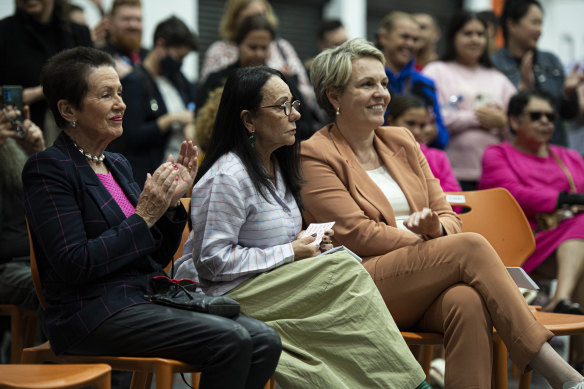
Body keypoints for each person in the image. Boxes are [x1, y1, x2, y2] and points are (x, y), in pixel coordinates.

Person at [300, 37, 584, 389]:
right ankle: (560, 373)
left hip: (420, 277)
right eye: (367, 84)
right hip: (359, 281)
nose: (381, 93)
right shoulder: (313, 154)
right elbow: (356, 233)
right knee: (469, 246)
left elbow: (447, 214)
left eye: (384, 83)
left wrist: (438, 233)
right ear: (334, 96)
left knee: (466, 301)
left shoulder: (401, 140)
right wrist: (429, 240)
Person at [22, 46, 281, 389]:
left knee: (264, 340)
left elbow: (155, 257)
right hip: (88, 313)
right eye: (106, 94)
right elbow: (74, 263)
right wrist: (143, 216)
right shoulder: (49, 169)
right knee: (230, 339)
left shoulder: (116, 164)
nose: (121, 104)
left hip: (141, 297)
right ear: (68, 109)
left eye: (120, 92)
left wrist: (171, 207)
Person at [174, 66, 430, 389]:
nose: (295, 115)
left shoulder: (278, 166)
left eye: (294, 104)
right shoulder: (228, 175)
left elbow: (273, 245)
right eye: (283, 107)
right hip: (223, 293)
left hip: (269, 287)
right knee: (345, 272)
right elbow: (211, 262)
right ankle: (414, 385)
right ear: (249, 120)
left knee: (335, 310)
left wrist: (307, 244)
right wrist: (289, 251)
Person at [479, 89, 584, 314]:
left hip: (570, 241)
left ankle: (569, 324)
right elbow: (511, 194)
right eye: (536, 116)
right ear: (515, 121)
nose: (545, 121)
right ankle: (560, 299)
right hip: (523, 242)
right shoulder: (497, 153)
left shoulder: (569, 157)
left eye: (551, 117)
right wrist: (566, 200)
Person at [422, 10, 516, 190]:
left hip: (494, 174)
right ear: (453, 37)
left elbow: (517, 124)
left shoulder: (498, 78)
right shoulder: (436, 71)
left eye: (480, 34)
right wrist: (477, 117)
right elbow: (431, 118)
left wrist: (503, 123)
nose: (475, 39)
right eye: (467, 33)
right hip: (447, 174)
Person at [198, 14, 313, 140]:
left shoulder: (282, 81)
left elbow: (307, 126)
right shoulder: (216, 80)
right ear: (237, 45)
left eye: (264, 48)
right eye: (252, 47)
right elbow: (199, 124)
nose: (259, 53)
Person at [114, 15, 197, 187]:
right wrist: (170, 119)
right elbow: (132, 134)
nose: (180, 63)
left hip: (178, 176)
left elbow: (192, 104)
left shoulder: (178, 78)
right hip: (148, 175)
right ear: (160, 45)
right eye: (178, 57)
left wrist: (190, 123)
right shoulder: (135, 81)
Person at [491, 0, 581, 147]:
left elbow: (569, 114)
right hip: (513, 154)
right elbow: (496, 118)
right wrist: (524, 90)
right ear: (511, 24)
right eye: (534, 23)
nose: (540, 30)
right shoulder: (494, 65)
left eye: (541, 23)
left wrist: (568, 94)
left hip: (554, 151)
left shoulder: (551, 61)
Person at [0, 0, 92, 141]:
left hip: (74, 136)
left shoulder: (78, 34)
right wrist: (41, 91)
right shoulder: (4, 32)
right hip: (19, 137)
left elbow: (92, 86)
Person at [199, 0, 316, 110]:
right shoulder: (218, 54)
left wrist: (288, 83)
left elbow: (305, 101)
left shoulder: (282, 48)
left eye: (261, 15)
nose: (259, 54)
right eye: (252, 47)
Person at [0, 105, 44, 340]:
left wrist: (38, 153)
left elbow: (54, 205)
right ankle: (51, 367)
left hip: (37, 257)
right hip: (7, 266)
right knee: (53, 286)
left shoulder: (14, 147)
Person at [377, 11, 449, 149]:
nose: (410, 44)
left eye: (415, 39)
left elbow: (443, 138)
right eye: (404, 37)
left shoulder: (426, 84)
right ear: (383, 37)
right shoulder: (369, 80)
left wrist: (434, 132)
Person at [386, 95, 461, 193]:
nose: (417, 131)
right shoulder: (376, 153)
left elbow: (456, 197)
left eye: (422, 125)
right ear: (390, 121)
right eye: (410, 123)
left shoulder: (438, 157)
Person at [100, 0, 148, 79]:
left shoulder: (149, 56)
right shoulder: (101, 59)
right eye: (126, 19)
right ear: (110, 23)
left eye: (138, 20)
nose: (133, 25)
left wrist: (132, 73)